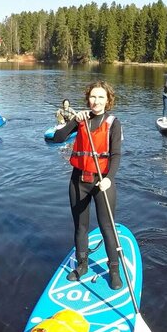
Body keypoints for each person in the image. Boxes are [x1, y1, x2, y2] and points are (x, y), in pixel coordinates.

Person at [52, 81, 124, 290]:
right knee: (80, 226)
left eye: (101, 97)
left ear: (107, 100)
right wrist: (73, 120)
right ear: (88, 99)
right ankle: (82, 265)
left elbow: (116, 155)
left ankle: (114, 270)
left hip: (102, 180)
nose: (96, 101)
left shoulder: (113, 123)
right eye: (93, 97)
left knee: (106, 227)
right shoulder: (81, 119)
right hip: (78, 180)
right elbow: (58, 138)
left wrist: (109, 177)